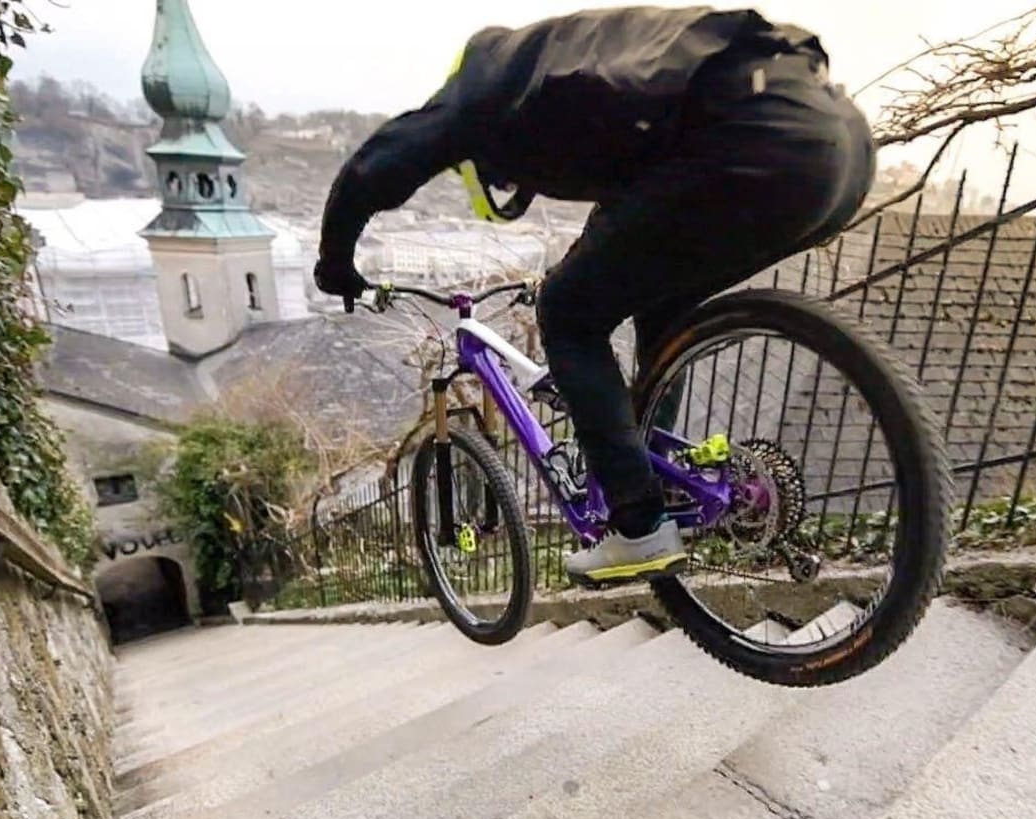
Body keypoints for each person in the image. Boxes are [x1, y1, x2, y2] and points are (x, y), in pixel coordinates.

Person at [315, 6, 874, 585]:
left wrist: (335, 267)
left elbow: (371, 170)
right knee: (660, 303)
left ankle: (639, 522)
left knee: (565, 314)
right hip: (840, 146)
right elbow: (634, 209)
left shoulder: (478, 91)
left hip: (746, 136)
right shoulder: (573, 68)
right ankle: (653, 476)